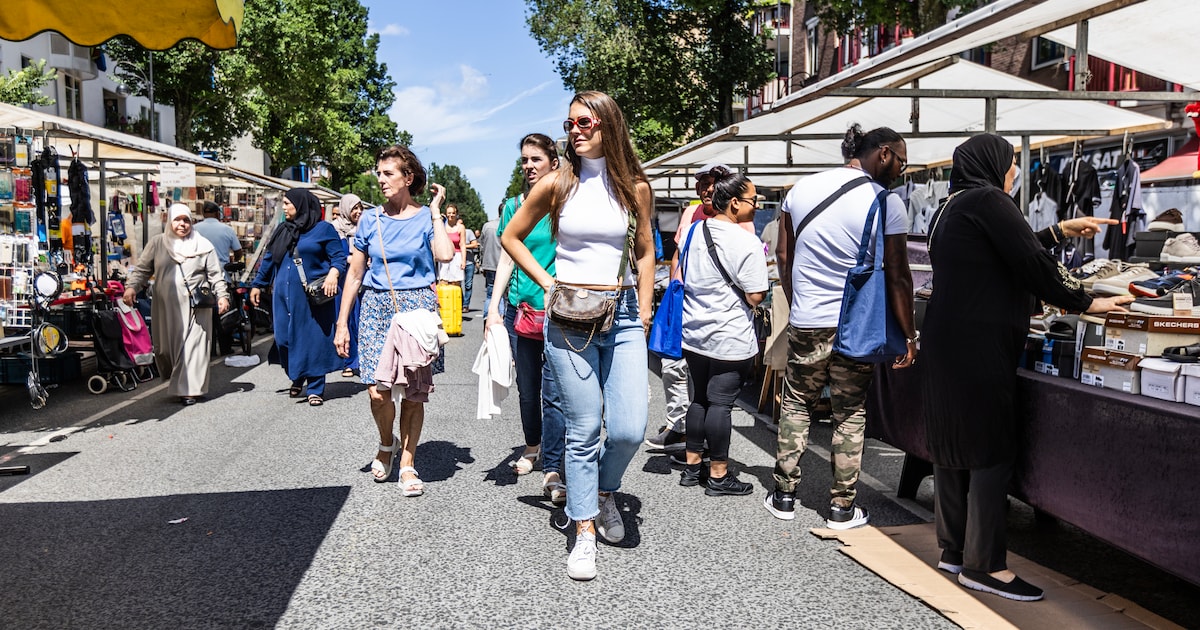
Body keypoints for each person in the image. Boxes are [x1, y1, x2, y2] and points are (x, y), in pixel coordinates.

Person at [923, 134, 1132, 602]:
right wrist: (1087, 302)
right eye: (1012, 163)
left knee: (955, 445)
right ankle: (985, 567)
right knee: (991, 449)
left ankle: (954, 551)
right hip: (979, 344)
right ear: (995, 165)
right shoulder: (991, 199)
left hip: (947, 338)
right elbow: (1030, 263)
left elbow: (1000, 253)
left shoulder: (951, 205)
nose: (1016, 172)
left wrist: (1059, 231)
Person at [502, 92, 655, 581]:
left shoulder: (635, 186)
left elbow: (648, 250)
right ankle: (583, 527)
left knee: (631, 428)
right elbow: (511, 236)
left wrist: (646, 306)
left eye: (584, 122)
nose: (575, 130)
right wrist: (548, 284)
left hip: (625, 312)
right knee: (584, 428)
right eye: (569, 124)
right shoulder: (556, 182)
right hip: (569, 315)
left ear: (609, 124)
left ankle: (604, 491)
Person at [767, 124, 917, 528]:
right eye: (901, 160)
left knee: (797, 402)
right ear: (883, 153)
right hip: (856, 325)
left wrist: (800, 300)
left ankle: (783, 495)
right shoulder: (887, 203)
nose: (902, 170)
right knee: (849, 411)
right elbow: (900, 276)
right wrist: (908, 333)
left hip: (807, 320)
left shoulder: (800, 190)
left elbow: (784, 255)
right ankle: (841, 507)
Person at [335, 145, 453, 496]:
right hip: (375, 308)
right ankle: (387, 443)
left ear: (408, 177)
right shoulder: (370, 219)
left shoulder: (426, 218)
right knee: (377, 391)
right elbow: (354, 274)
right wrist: (342, 323)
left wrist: (434, 212)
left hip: (417, 307)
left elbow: (445, 255)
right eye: (379, 172)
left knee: (414, 393)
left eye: (388, 173)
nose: (380, 178)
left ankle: (407, 462)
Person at [485, 133, 567, 505]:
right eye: (524, 160)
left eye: (536, 159)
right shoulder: (515, 205)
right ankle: (533, 446)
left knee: (554, 392)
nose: (529, 166)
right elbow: (507, 257)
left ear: (554, 161)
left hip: (559, 311)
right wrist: (492, 309)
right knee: (528, 389)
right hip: (521, 312)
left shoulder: (565, 202)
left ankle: (553, 465)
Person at [677, 168, 768, 495]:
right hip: (729, 336)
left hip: (694, 331)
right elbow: (756, 295)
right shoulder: (748, 242)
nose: (756, 206)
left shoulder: (693, 232)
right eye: (752, 200)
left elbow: (684, 272)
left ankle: (691, 466)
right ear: (733, 203)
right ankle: (718, 475)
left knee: (699, 398)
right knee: (721, 404)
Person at [122, 203, 230, 405]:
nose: (182, 224)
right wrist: (131, 288)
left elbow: (216, 274)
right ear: (170, 221)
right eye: (178, 220)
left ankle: (189, 389)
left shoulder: (203, 245)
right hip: (165, 307)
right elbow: (143, 270)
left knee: (192, 347)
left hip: (196, 307)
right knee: (164, 349)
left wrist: (222, 296)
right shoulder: (158, 243)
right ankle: (180, 381)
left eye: (186, 220)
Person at [250, 189, 348, 407]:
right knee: (284, 339)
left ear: (301, 205)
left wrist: (333, 273)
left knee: (312, 341)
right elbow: (269, 259)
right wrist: (258, 284)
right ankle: (298, 373)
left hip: (311, 298)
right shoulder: (283, 230)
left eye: (287, 203)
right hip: (283, 297)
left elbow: (338, 257)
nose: (284, 208)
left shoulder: (323, 229)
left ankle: (315, 387)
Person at [192, 200, 243, 355]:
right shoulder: (226, 229)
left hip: (200, 280)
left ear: (203, 213)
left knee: (205, 316)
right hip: (221, 276)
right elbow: (238, 251)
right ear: (217, 213)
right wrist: (230, 259)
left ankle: (210, 348)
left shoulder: (194, 229)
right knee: (224, 314)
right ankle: (225, 347)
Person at [331, 193, 364, 377]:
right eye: (354, 208)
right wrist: (351, 259)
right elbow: (332, 255)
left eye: (360, 207)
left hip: (364, 281)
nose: (358, 212)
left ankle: (363, 359)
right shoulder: (334, 229)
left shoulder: (364, 227)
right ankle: (349, 362)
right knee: (346, 320)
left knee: (360, 320)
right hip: (344, 282)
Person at [438, 204, 468, 286]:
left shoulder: (461, 227)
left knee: (455, 283)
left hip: (457, 256)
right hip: (444, 256)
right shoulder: (441, 226)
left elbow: (462, 245)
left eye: (453, 213)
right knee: (443, 282)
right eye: (449, 213)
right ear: (446, 214)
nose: (451, 215)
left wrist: (463, 261)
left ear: (456, 214)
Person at [478, 212, 502, 309]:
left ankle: (486, 317)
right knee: (502, 295)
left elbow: (481, 246)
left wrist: (481, 263)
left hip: (489, 263)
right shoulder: (510, 225)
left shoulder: (487, 226)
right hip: (504, 265)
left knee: (490, 294)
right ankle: (501, 318)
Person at [462, 226, 478, 310]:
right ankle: (460, 302)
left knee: (468, 285)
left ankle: (465, 305)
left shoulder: (468, 232)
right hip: (457, 262)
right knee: (456, 284)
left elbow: (475, 245)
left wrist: (463, 246)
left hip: (469, 262)